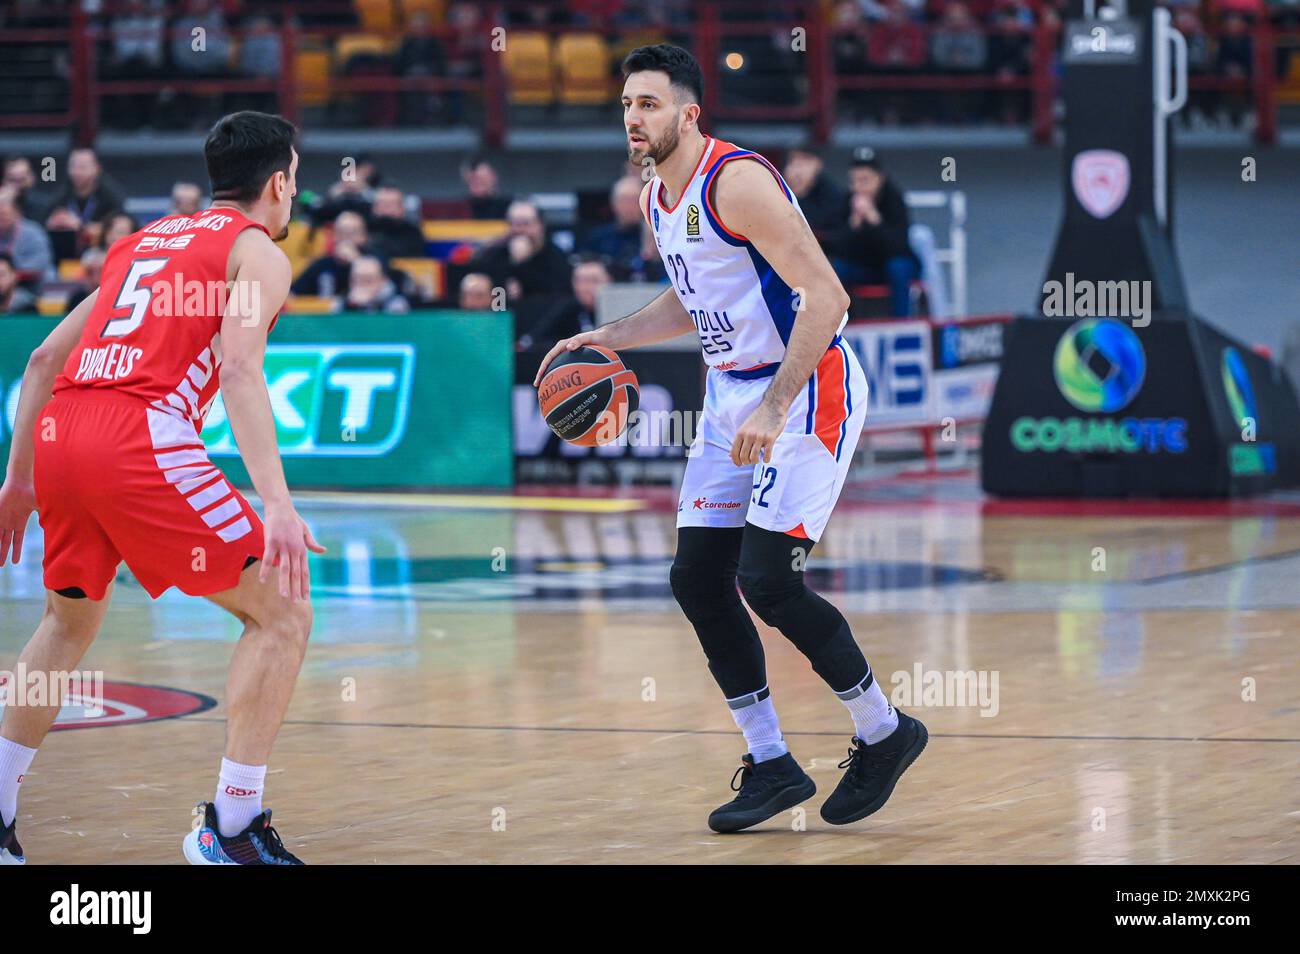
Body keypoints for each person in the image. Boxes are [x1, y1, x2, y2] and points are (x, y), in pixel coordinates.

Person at [533, 44, 926, 834]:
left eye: (648, 104)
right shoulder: (654, 195)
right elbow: (690, 303)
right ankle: (773, 762)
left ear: (689, 113)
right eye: (625, 105)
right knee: (697, 578)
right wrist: (605, 336)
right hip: (728, 396)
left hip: (806, 386)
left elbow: (830, 297)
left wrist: (775, 406)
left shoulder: (736, 181)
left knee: (770, 582)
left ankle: (886, 732)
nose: (633, 119)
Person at [0, 111, 323, 866]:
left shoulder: (140, 241)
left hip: (60, 432)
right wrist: (276, 500)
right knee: (281, 612)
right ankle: (232, 830)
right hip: (137, 432)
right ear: (278, 183)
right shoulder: (257, 254)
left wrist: (17, 481)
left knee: (67, 623)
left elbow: (45, 357)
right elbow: (241, 371)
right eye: (297, 181)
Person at [825, 146, 920, 317]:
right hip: (863, 267)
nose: (859, 187)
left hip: (890, 266)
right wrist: (854, 224)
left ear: (880, 178)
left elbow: (899, 246)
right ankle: (845, 325)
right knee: (837, 269)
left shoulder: (894, 198)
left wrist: (874, 219)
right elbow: (836, 247)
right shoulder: (846, 201)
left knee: (898, 267)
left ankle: (902, 325)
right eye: (855, 181)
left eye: (865, 180)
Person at [469, 199, 572, 300]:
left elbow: (558, 298)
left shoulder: (557, 258)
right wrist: (514, 263)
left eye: (526, 224)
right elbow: (496, 303)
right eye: (515, 224)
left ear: (540, 226)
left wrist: (522, 265)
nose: (520, 230)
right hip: (504, 314)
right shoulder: (495, 256)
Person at [518, 258, 608, 351]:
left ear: (609, 280)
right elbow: (534, 339)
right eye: (579, 280)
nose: (584, 287)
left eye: (593, 281)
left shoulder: (618, 312)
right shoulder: (567, 310)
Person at [581, 176, 656, 280]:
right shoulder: (598, 237)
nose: (629, 206)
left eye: (634, 200)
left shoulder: (655, 235)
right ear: (613, 203)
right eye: (624, 200)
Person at [781, 145, 848, 238]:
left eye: (805, 161)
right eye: (793, 160)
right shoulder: (778, 186)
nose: (798, 167)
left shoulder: (830, 193)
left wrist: (802, 191)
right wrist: (793, 190)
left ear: (818, 165)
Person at [0, 193, 54, 281]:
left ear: (17, 213)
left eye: (4, 214)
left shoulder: (33, 232)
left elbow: (40, 263)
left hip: (34, 283)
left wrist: (12, 273)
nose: (2, 218)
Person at [366, 186, 426, 260]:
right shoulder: (364, 228)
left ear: (402, 208)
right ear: (373, 207)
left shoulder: (412, 233)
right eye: (381, 203)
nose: (386, 208)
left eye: (391, 204)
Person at [343, 255, 410, 314]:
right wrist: (351, 307)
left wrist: (366, 305)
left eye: (367, 280)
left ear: (383, 280)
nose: (361, 285)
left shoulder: (396, 304)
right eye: (355, 280)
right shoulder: (342, 303)